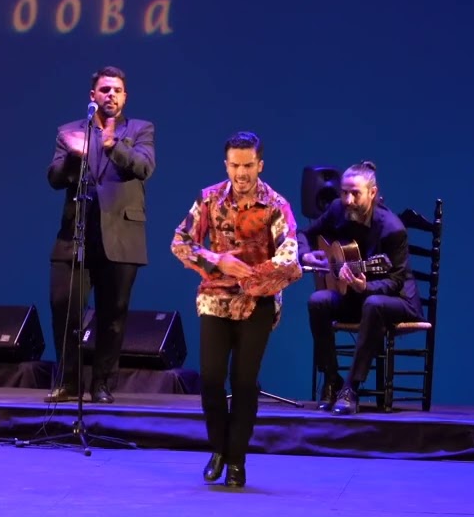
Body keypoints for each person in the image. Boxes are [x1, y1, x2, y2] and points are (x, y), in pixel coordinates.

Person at [171, 131, 302, 488]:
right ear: (226, 165)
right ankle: (220, 448)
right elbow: (180, 241)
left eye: (248, 166)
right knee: (212, 379)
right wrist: (219, 261)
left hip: (257, 300)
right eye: (234, 165)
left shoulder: (276, 205)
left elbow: (291, 259)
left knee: (244, 382)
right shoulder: (209, 199)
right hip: (215, 296)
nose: (241, 174)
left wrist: (253, 279)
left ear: (259, 165)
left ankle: (238, 460)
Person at [45, 66, 155, 404]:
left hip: (121, 233)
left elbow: (144, 167)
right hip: (75, 233)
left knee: (113, 314)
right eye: (105, 89)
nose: (111, 95)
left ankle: (103, 384)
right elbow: (54, 178)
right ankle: (69, 382)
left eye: (117, 90)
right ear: (92, 96)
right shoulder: (69, 132)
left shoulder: (139, 130)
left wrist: (111, 145)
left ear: (125, 97)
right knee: (65, 308)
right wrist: (74, 157)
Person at [300, 161, 421, 416]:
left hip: (396, 300)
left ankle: (350, 388)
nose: (348, 199)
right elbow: (304, 234)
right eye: (344, 192)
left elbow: (396, 281)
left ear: (373, 193)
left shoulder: (392, 229)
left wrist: (365, 286)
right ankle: (331, 381)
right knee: (318, 301)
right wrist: (306, 255)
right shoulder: (336, 209)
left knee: (374, 304)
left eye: (356, 193)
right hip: (357, 295)